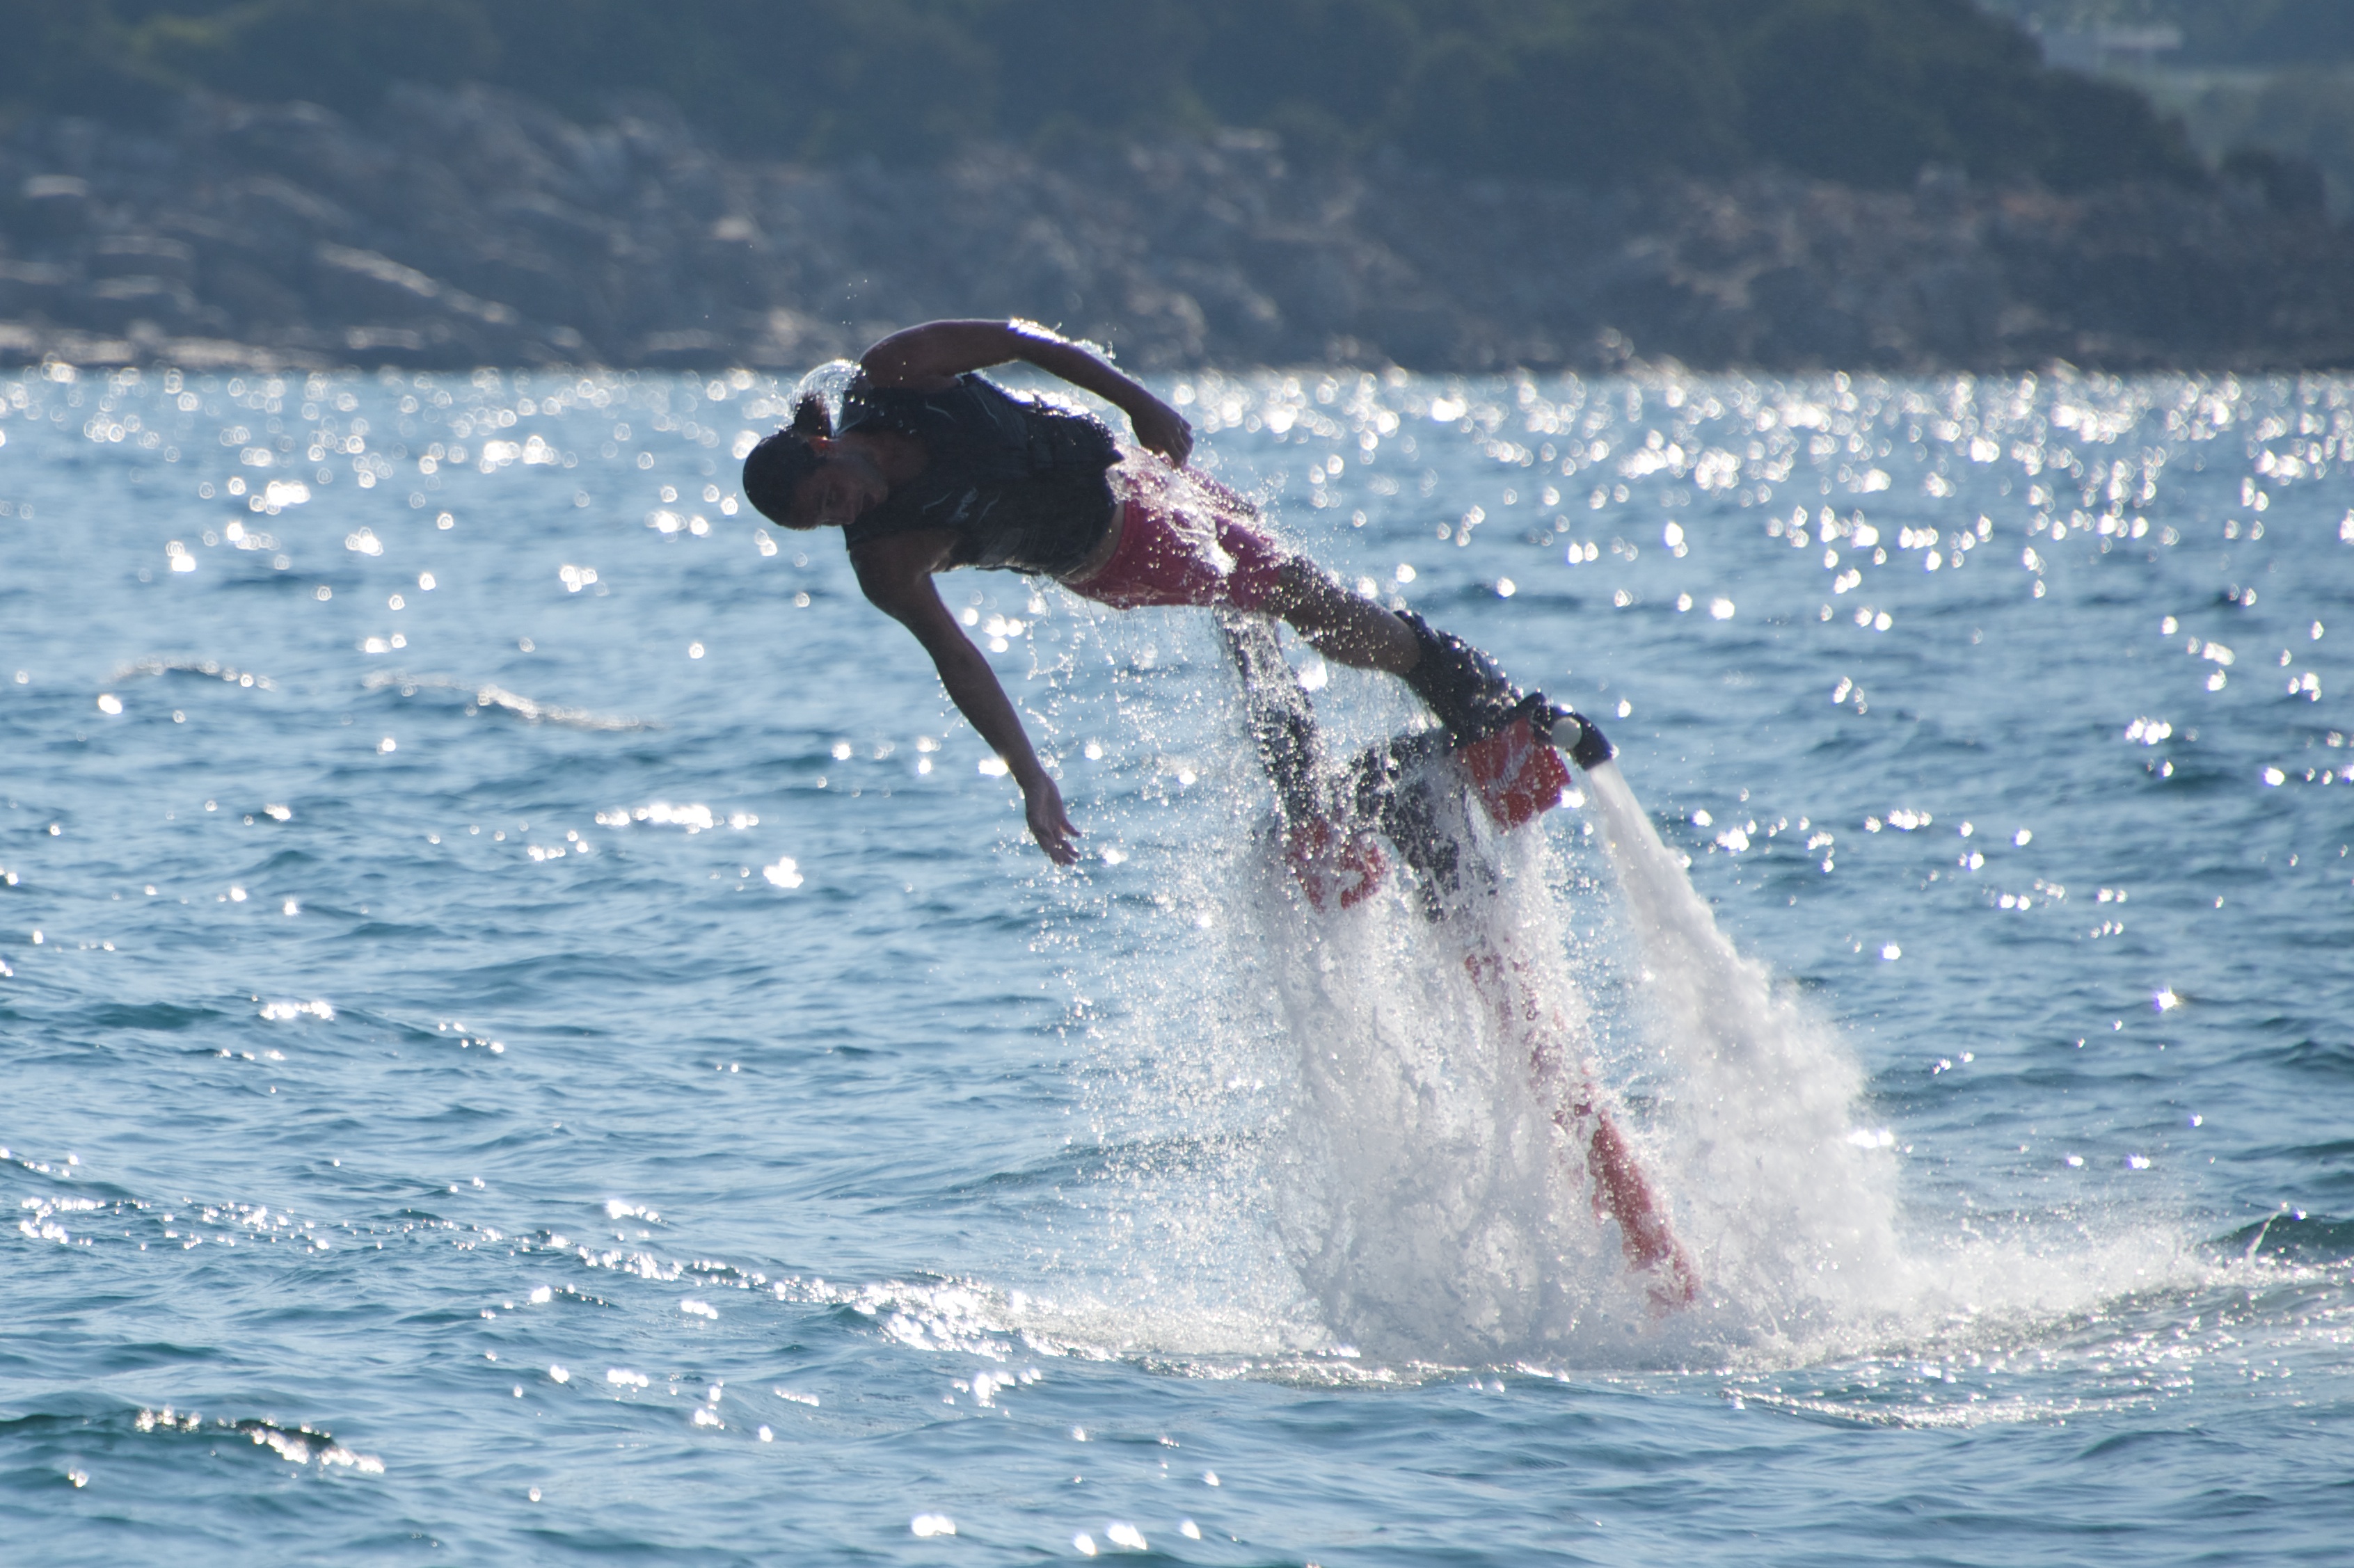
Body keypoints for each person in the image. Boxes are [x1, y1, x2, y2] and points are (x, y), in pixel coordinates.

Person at [742, 317, 1545, 865]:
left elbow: (1025, 341)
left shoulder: (895, 373)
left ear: (822, 446)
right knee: (1290, 593)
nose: (841, 516)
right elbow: (957, 658)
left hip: (1132, 475)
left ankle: (1314, 791)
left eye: (827, 498)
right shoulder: (884, 559)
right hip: (1116, 553)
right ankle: (1452, 689)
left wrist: (1138, 403)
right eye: (822, 524)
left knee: (1257, 576)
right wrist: (1030, 775)